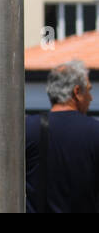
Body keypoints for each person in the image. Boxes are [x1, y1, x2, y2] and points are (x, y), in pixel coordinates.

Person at [26, 60, 99, 212]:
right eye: (89, 90)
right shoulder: (94, 130)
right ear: (77, 92)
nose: (91, 98)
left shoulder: (29, 129)